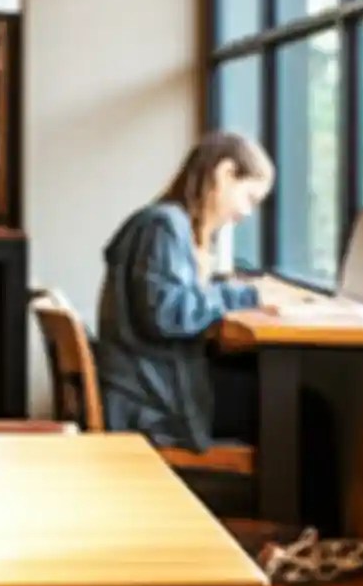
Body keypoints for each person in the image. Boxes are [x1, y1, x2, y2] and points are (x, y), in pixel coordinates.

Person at [95, 130, 282, 454]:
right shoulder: (163, 225)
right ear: (224, 174)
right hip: (154, 404)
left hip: (144, 390)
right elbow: (168, 314)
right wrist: (246, 297)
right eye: (249, 198)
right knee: (299, 409)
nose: (247, 213)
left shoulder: (164, 224)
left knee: (268, 387)